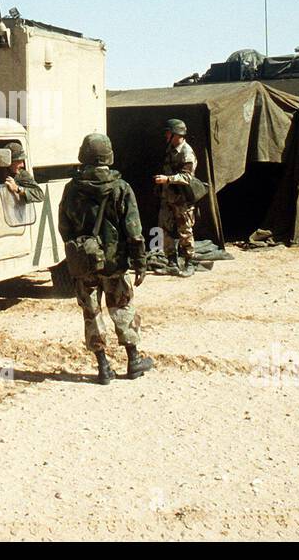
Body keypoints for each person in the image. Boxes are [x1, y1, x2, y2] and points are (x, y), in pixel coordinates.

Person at [58, 133, 152, 385]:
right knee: (122, 308)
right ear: (108, 156)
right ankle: (133, 361)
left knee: (91, 313)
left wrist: (80, 249)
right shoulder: (121, 188)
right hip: (115, 264)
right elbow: (134, 231)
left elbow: (64, 228)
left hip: (84, 265)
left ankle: (103, 367)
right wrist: (140, 263)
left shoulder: (71, 189)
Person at [153, 118, 198, 276]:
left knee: (184, 230)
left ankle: (189, 262)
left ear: (176, 134)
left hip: (182, 199)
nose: (166, 135)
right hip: (168, 197)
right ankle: (171, 262)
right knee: (164, 229)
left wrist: (168, 179)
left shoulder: (187, 152)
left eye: (168, 132)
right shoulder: (170, 149)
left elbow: (187, 178)